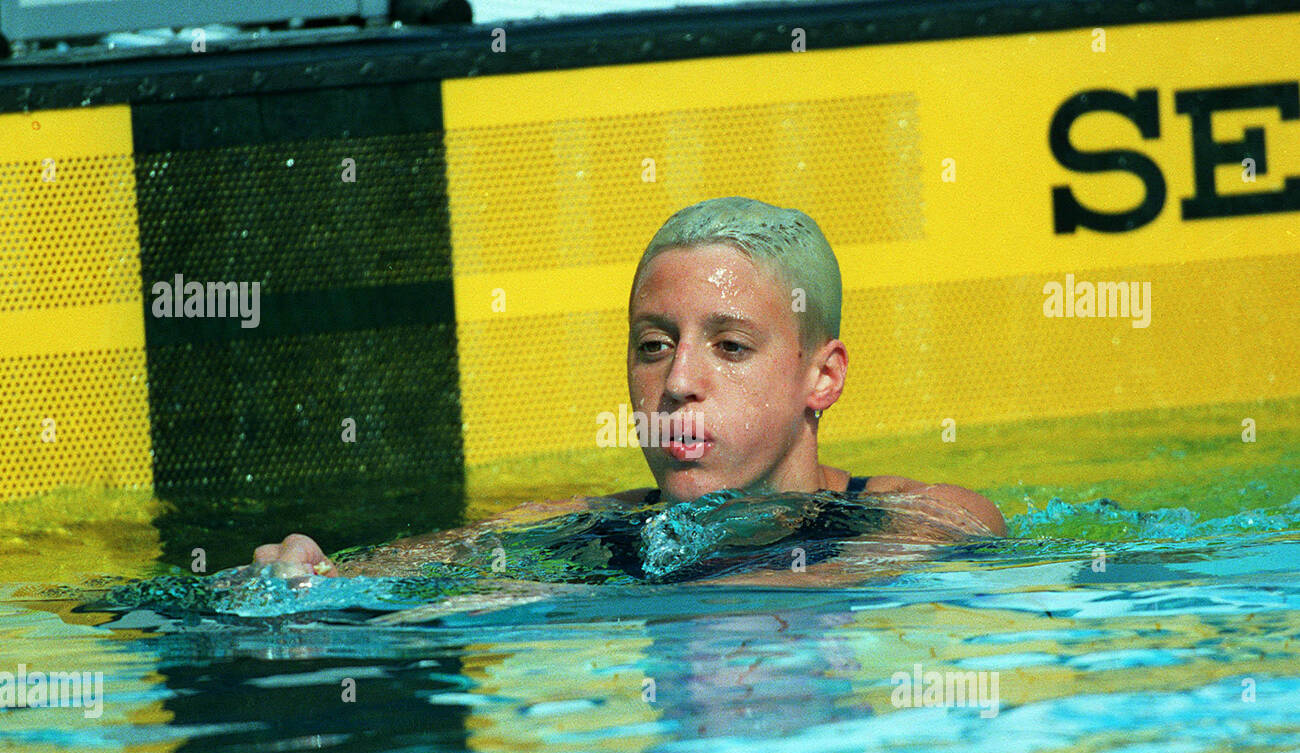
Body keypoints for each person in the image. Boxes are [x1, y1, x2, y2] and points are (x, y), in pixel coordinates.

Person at [252, 197, 1005, 579]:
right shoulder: (578, 535)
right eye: (654, 346)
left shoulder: (922, 525)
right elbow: (372, 580)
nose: (678, 383)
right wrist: (310, 575)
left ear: (822, 376)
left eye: (730, 346)